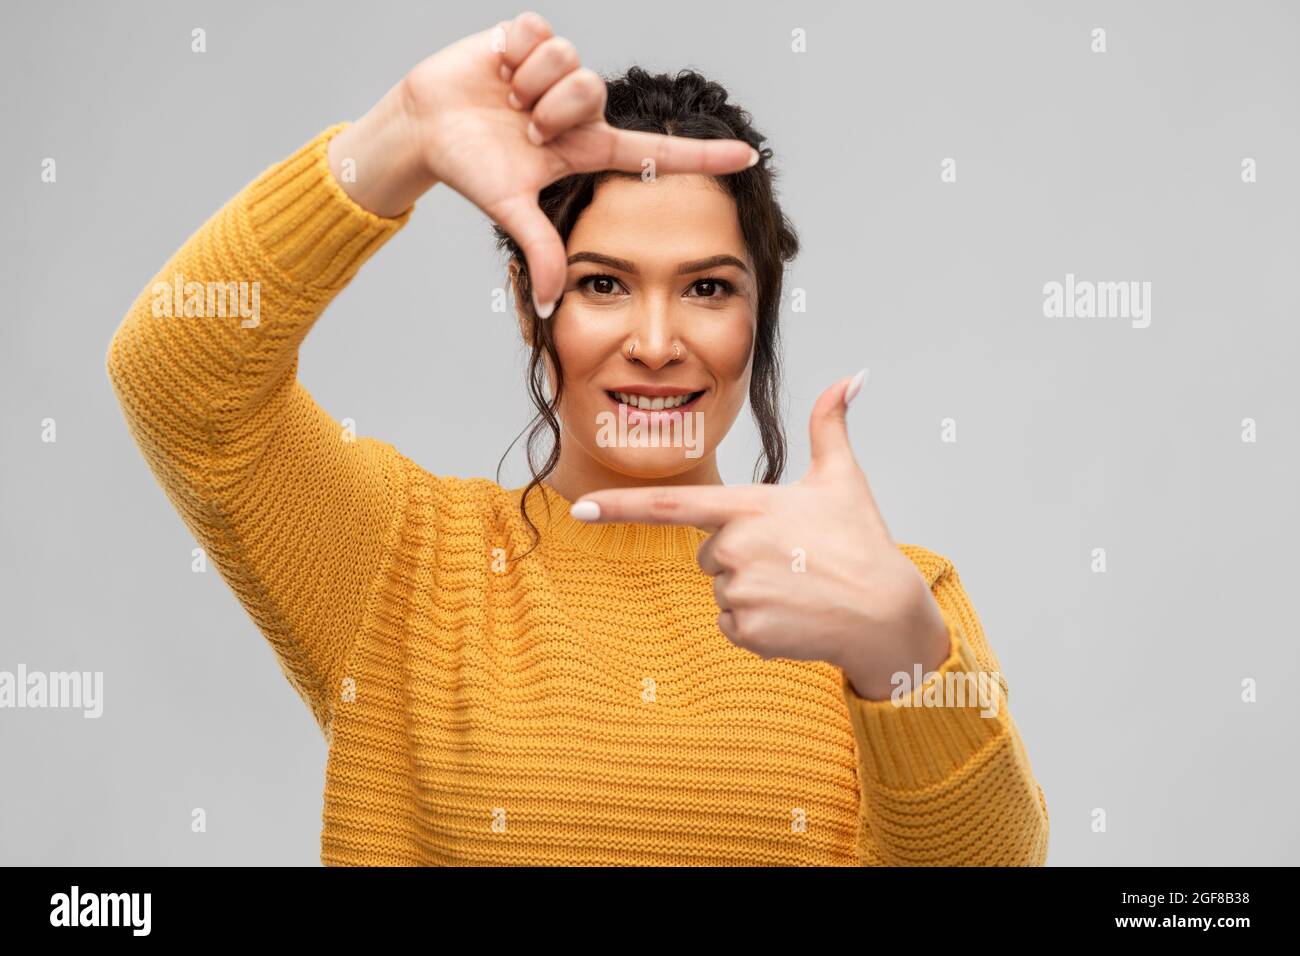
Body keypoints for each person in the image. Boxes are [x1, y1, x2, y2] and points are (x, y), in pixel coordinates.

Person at [106, 11, 1049, 865]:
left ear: (758, 317)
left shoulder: (890, 596)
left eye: (709, 288)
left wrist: (904, 660)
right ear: (531, 302)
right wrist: (400, 133)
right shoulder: (405, 565)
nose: (654, 342)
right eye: (602, 283)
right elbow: (178, 375)